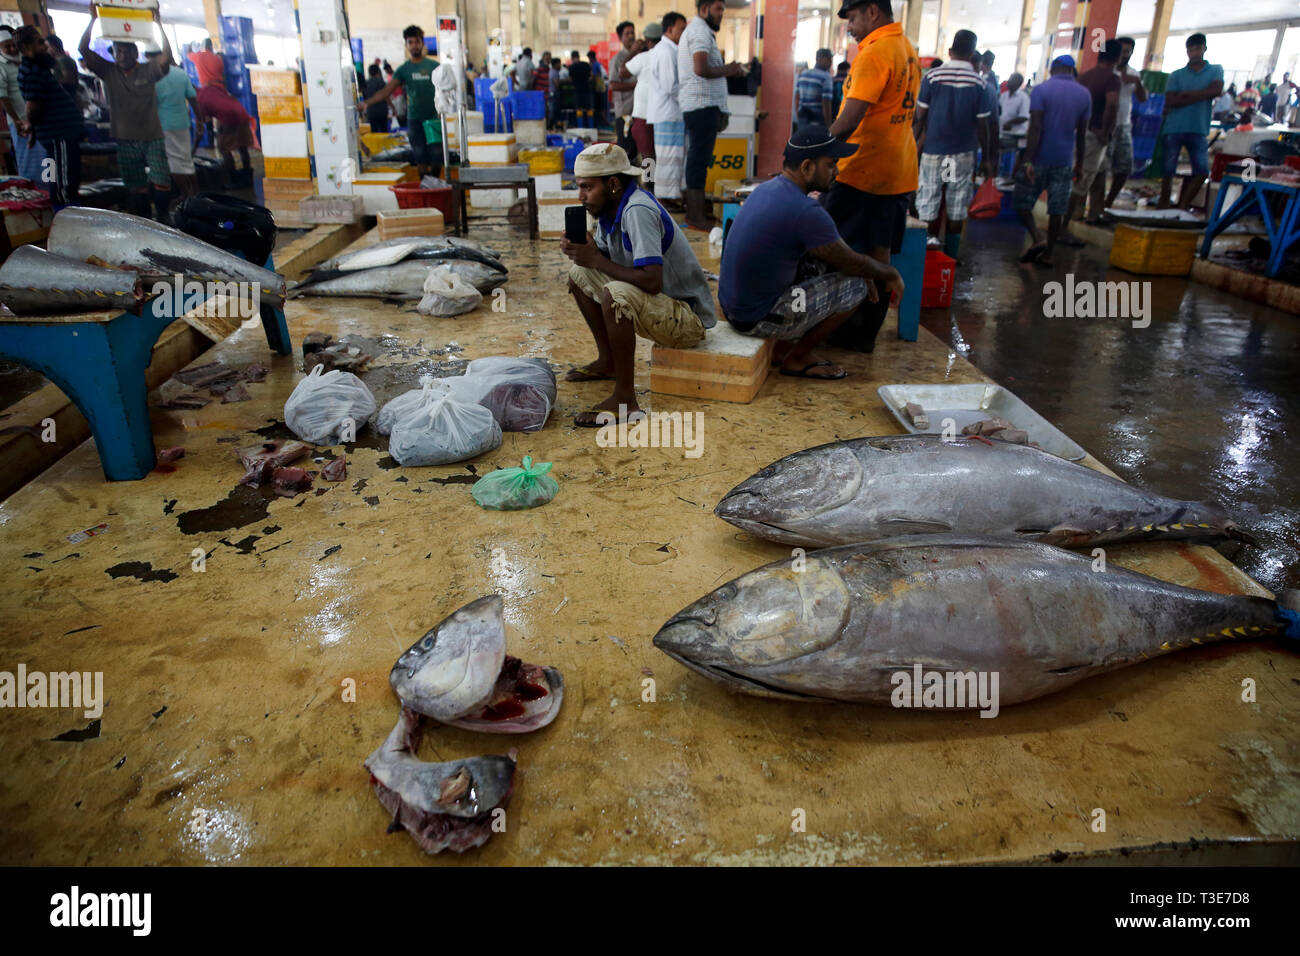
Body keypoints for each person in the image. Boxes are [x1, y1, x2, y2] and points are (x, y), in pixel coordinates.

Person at [719, 125, 903, 380]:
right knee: (856, 286)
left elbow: (840, 256)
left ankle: (782, 345)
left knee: (831, 265)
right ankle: (796, 356)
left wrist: (859, 266)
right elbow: (851, 263)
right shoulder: (805, 210)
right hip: (754, 319)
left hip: (733, 310)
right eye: (831, 164)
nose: (836, 171)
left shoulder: (767, 189)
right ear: (806, 167)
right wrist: (889, 272)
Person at [561, 143, 716, 426]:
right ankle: (607, 361)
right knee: (578, 273)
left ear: (614, 184)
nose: (581, 196)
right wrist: (588, 253)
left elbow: (652, 281)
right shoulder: (609, 212)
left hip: (686, 318)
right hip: (661, 305)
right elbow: (607, 263)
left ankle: (625, 399)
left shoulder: (637, 210)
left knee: (615, 295)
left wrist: (595, 259)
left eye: (587, 187)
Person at [825, 0, 920, 352]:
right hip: (897, 172)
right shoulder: (906, 49)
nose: (849, 26)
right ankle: (865, 336)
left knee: (835, 250)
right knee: (880, 255)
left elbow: (849, 121)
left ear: (873, 12)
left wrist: (812, 154)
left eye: (852, 18)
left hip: (862, 172)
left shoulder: (875, 53)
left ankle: (838, 330)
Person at [80, 7, 173, 221]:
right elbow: (83, 48)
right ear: (113, 53)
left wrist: (157, 23)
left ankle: (163, 217)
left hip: (152, 136)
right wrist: (92, 19)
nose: (122, 55)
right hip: (125, 138)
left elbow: (166, 56)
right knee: (136, 185)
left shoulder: (147, 69)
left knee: (161, 180)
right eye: (118, 51)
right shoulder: (108, 71)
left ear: (135, 53)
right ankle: (144, 220)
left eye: (127, 51)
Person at [912, 29, 997, 261]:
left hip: (934, 152)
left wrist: (910, 148)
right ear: (972, 55)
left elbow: (919, 117)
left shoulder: (932, 77)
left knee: (929, 201)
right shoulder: (980, 84)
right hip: (961, 155)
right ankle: (949, 259)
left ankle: (925, 259)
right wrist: (988, 158)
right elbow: (983, 126)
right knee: (956, 205)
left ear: (950, 51)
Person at [1012, 55, 1090, 266]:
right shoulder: (1084, 94)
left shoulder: (1041, 90)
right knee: (1057, 209)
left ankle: (1038, 238)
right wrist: (1080, 164)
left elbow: (1035, 128)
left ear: (1053, 69)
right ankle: (1049, 254)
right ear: (1072, 70)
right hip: (1064, 161)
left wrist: (1027, 161)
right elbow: (1081, 135)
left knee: (1021, 202)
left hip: (1039, 159)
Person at [678, 0, 745, 230]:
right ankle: (695, 216)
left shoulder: (701, 31)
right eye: (718, 9)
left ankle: (695, 211)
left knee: (699, 159)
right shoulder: (699, 31)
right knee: (698, 161)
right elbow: (701, 68)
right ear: (704, 9)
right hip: (701, 105)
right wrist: (731, 69)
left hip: (701, 106)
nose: (721, 14)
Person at [361, 26, 440, 177]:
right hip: (415, 121)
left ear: (422, 43)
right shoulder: (404, 69)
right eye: (410, 42)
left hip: (434, 119)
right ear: (406, 45)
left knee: (437, 158)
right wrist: (366, 103)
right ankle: (425, 189)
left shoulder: (434, 67)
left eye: (417, 42)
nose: (414, 45)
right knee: (420, 158)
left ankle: (435, 186)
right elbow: (386, 91)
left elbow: (447, 86)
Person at [14, 27, 81, 208]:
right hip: (58, 137)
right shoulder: (31, 72)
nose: (45, 46)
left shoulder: (38, 69)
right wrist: (30, 125)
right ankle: (68, 226)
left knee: (58, 179)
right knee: (63, 185)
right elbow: (33, 107)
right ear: (27, 47)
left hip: (57, 137)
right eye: (40, 42)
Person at [1064, 38, 1120, 237]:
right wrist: (1104, 131)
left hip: (1079, 132)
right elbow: (1111, 104)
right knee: (1080, 181)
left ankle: (1095, 213)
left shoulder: (1085, 76)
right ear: (1117, 57)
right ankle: (1064, 227)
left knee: (1100, 172)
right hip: (1094, 135)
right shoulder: (1111, 78)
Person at [1160, 33, 1223, 210]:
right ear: (1187, 51)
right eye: (1191, 49)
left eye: (1197, 48)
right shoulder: (1176, 74)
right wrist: (1204, 93)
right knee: (1167, 171)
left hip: (1199, 128)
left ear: (1204, 48)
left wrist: (1186, 95)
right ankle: (1163, 205)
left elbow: (1216, 91)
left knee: (1202, 172)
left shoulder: (1216, 69)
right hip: (1174, 127)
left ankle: (1182, 207)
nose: (1194, 53)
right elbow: (1171, 100)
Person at [188, 37, 255, 187]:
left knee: (224, 148)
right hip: (241, 111)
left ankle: (233, 179)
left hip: (229, 117)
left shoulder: (199, 98)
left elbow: (200, 129)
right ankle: (248, 177)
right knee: (242, 145)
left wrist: (192, 151)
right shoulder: (214, 73)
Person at [1100, 37, 1147, 214]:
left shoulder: (1134, 74)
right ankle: (1096, 204)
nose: (1124, 54)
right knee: (1101, 168)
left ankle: (1108, 202)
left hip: (1123, 125)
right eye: (1122, 51)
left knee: (1124, 167)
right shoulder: (1107, 72)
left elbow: (1143, 98)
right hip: (1105, 125)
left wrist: (1137, 82)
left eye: (1127, 51)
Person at [648, 12, 687, 211]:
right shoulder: (665, 52)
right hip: (669, 113)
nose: (684, 33)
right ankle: (665, 198)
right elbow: (671, 86)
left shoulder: (669, 50)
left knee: (671, 157)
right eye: (682, 29)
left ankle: (670, 196)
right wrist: (690, 100)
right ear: (670, 29)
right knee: (669, 157)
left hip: (670, 113)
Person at [0, 26, 46, 189]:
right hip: (21, 124)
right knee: (29, 161)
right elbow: (3, 96)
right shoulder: (1, 66)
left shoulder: (26, 59)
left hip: (39, 120)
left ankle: (52, 189)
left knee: (48, 158)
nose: (12, 49)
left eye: (13, 45)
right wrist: (18, 120)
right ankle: (36, 194)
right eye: (7, 46)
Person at [154, 54, 197, 196]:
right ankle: (193, 193)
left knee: (174, 162)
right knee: (186, 159)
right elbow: (192, 97)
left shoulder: (155, 76)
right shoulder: (181, 74)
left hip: (165, 124)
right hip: (183, 123)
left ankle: (186, 195)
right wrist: (201, 120)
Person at [626, 25, 663, 165]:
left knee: (648, 157)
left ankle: (649, 184)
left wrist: (633, 51)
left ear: (647, 41)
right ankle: (655, 184)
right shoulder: (671, 55)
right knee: (660, 156)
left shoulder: (643, 57)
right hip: (663, 115)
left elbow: (622, 72)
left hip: (643, 116)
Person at [609, 21, 638, 156]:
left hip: (638, 112)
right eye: (627, 34)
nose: (631, 36)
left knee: (637, 148)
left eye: (632, 32)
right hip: (625, 112)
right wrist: (635, 85)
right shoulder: (617, 60)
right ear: (621, 38)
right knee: (625, 150)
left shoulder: (640, 56)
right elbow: (613, 85)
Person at [795, 49, 835, 129]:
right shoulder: (826, 77)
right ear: (819, 59)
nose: (831, 62)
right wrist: (829, 126)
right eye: (828, 59)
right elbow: (826, 102)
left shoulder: (803, 74)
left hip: (803, 117)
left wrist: (798, 114)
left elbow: (797, 97)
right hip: (817, 120)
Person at [999, 72, 1030, 160]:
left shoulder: (1023, 97)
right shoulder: (1004, 96)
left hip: (1016, 134)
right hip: (1003, 132)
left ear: (1018, 83)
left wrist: (1009, 123)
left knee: (1009, 159)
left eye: (1011, 80)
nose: (1008, 82)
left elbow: (1024, 116)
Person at [45, 34, 79, 100]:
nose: (47, 50)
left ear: (53, 47)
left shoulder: (63, 60)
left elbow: (70, 79)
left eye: (47, 47)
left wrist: (51, 85)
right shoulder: (61, 59)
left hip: (69, 98)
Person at [568, 50, 593, 126]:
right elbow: (591, 77)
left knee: (579, 109)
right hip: (587, 89)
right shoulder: (586, 65)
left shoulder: (571, 67)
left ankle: (580, 126)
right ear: (579, 57)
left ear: (572, 58)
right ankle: (591, 126)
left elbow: (570, 79)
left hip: (577, 90)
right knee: (589, 109)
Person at [363, 64, 389, 132]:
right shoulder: (381, 82)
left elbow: (365, 99)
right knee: (384, 131)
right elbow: (386, 96)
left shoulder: (366, 83)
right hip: (382, 111)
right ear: (378, 71)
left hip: (371, 112)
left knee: (374, 132)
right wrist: (392, 107)